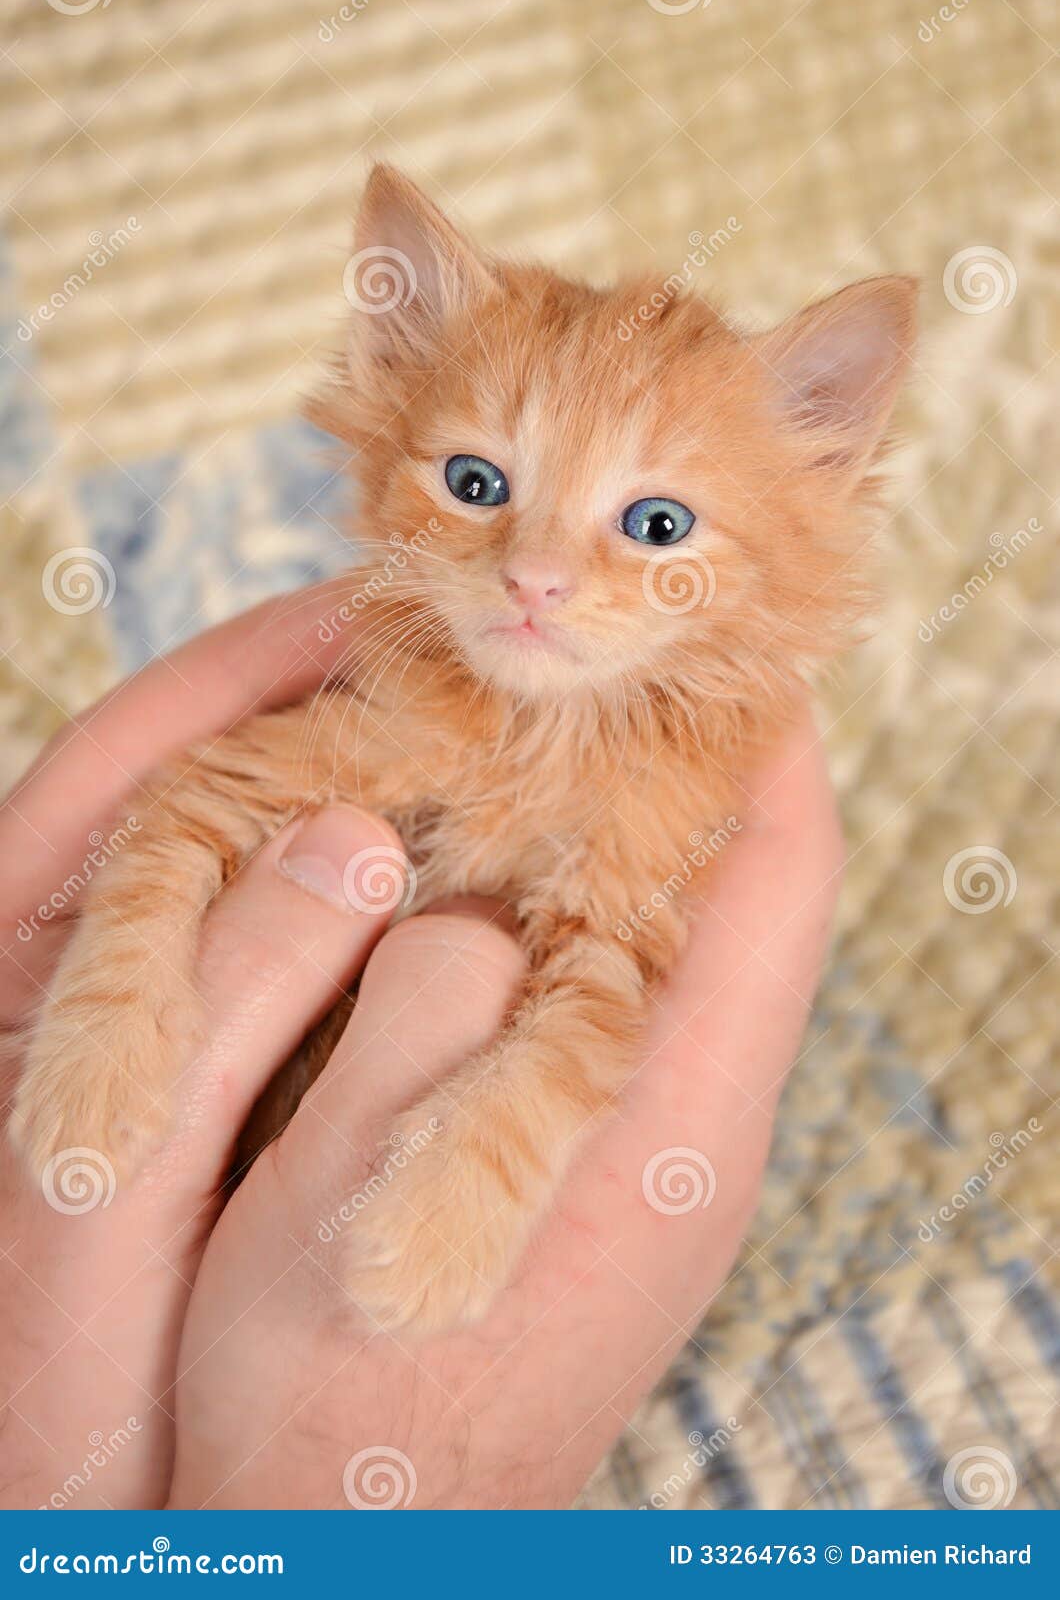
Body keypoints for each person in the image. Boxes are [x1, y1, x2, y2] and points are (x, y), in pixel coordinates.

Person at [0, 587, 841, 1510]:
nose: (535, 575)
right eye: (476, 484)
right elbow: (193, 811)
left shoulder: (675, 787)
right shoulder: (393, 690)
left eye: (655, 523)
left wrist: (491, 1167)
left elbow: (598, 987)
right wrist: (115, 1003)